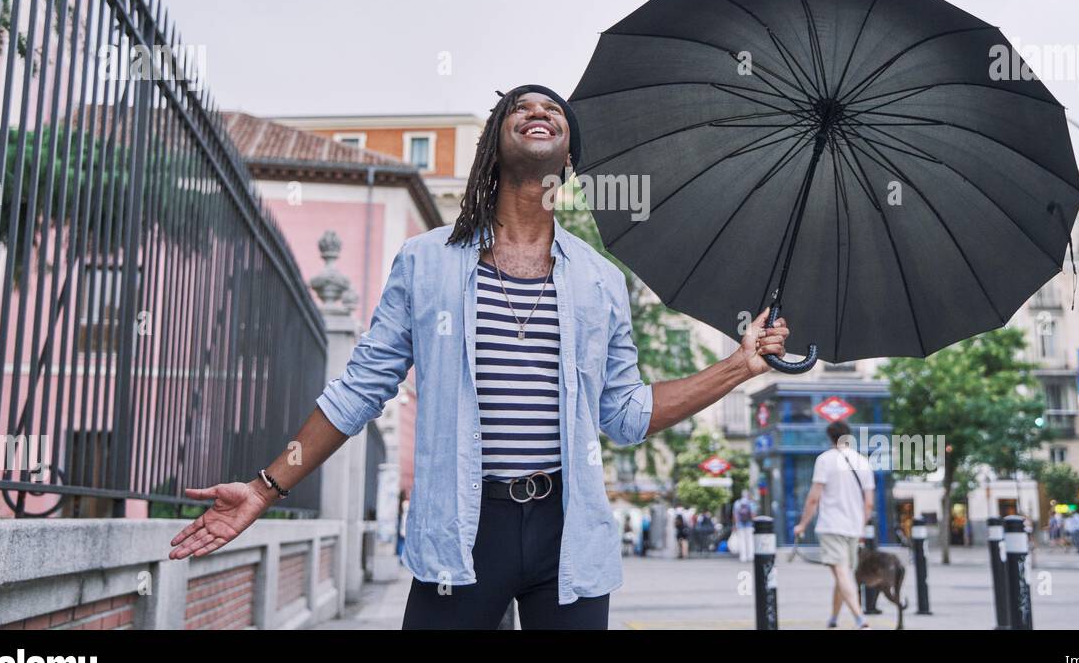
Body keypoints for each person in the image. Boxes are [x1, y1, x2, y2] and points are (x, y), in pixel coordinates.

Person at [167, 86, 791, 630]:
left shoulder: (601, 281)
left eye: (553, 110)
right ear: (495, 141)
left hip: (567, 534)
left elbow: (625, 415)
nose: (538, 110)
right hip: (459, 529)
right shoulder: (425, 260)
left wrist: (738, 365)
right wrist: (264, 488)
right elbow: (358, 390)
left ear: (569, 158)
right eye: (521, 106)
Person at [793, 421, 875, 629]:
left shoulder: (825, 460)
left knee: (841, 573)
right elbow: (869, 502)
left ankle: (860, 617)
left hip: (831, 525)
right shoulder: (863, 462)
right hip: (854, 528)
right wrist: (861, 526)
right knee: (844, 573)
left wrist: (802, 524)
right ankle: (834, 618)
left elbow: (814, 498)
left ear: (830, 438)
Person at [732, 488, 757, 563]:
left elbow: (735, 515)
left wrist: (735, 524)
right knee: (750, 540)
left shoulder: (737, 503)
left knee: (742, 540)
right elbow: (753, 514)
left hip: (740, 524)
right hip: (749, 524)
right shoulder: (751, 503)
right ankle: (750, 556)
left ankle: (743, 556)